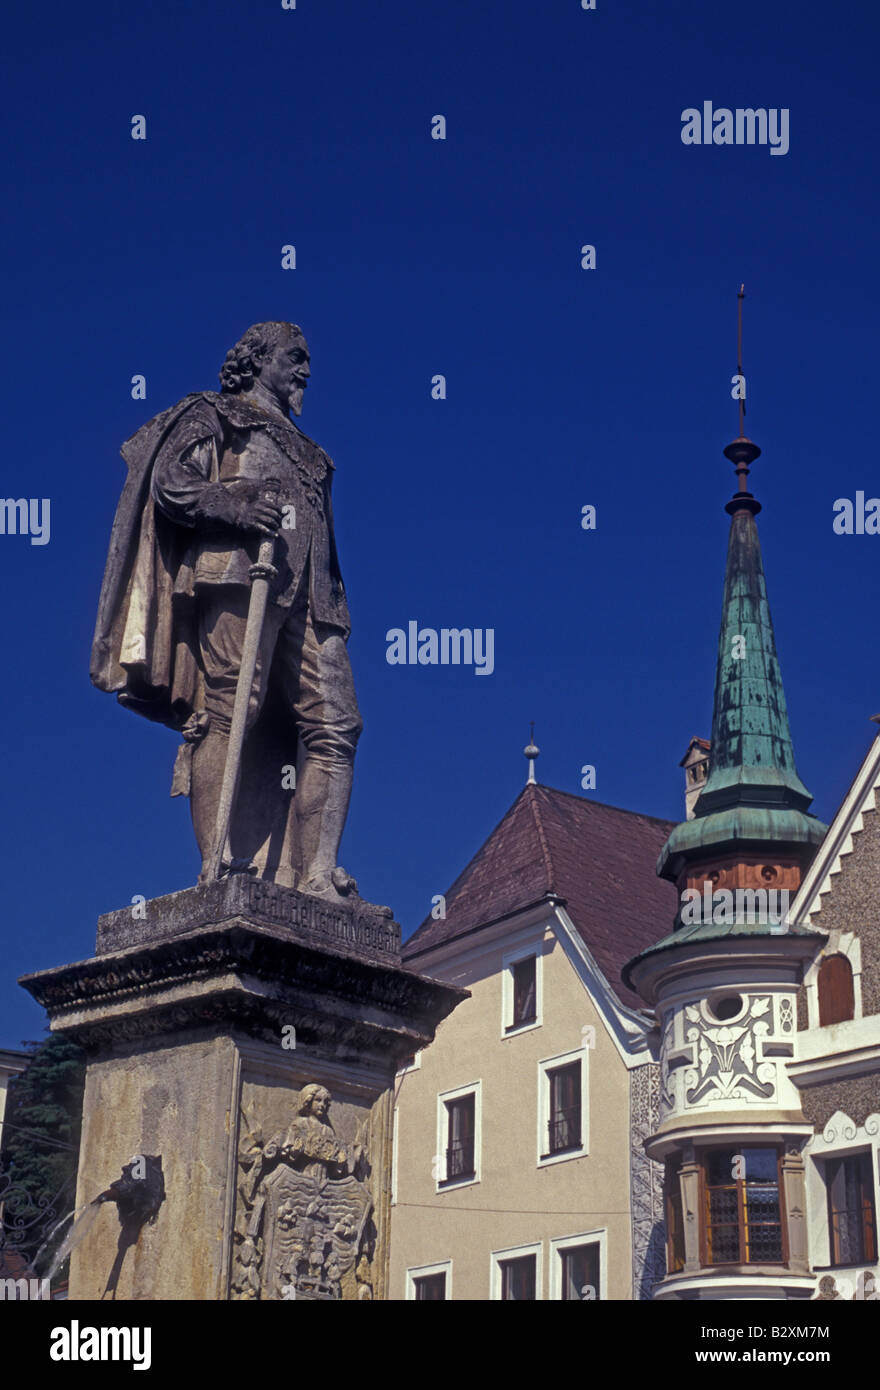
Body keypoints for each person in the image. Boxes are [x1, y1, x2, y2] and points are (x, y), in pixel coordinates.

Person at [91, 321, 362, 899]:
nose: (306, 369)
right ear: (258, 358)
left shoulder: (313, 454)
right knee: (233, 702)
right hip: (241, 575)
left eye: (308, 359)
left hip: (314, 597)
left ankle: (317, 875)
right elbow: (172, 482)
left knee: (338, 724)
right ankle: (218, 863)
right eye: (295, 356)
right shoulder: (216, 412)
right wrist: (233, 503)